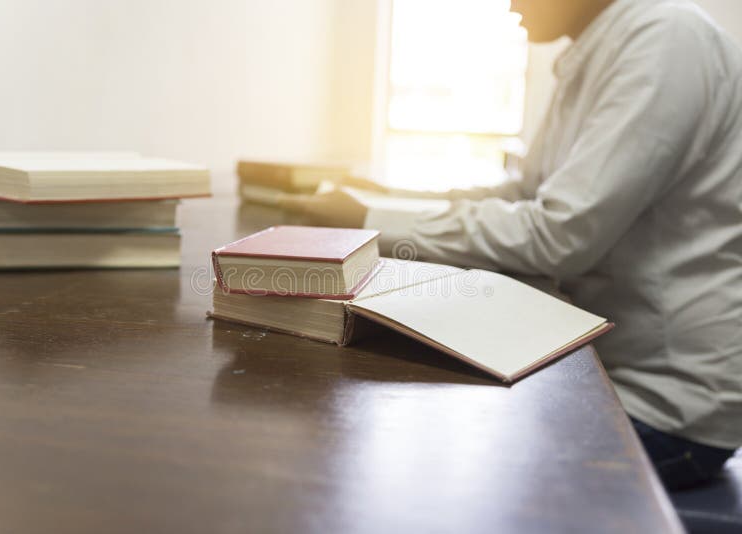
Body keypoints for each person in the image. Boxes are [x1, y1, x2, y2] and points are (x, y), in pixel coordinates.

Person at [280, 0, 742, 491]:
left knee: (428, 471)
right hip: (604, 370)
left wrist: (373, 218)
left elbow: (558, 235)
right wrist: (383, 197)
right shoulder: (603, 46)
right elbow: (524, 194)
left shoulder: (663, 39)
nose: (509, 4)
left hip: (665, 406)